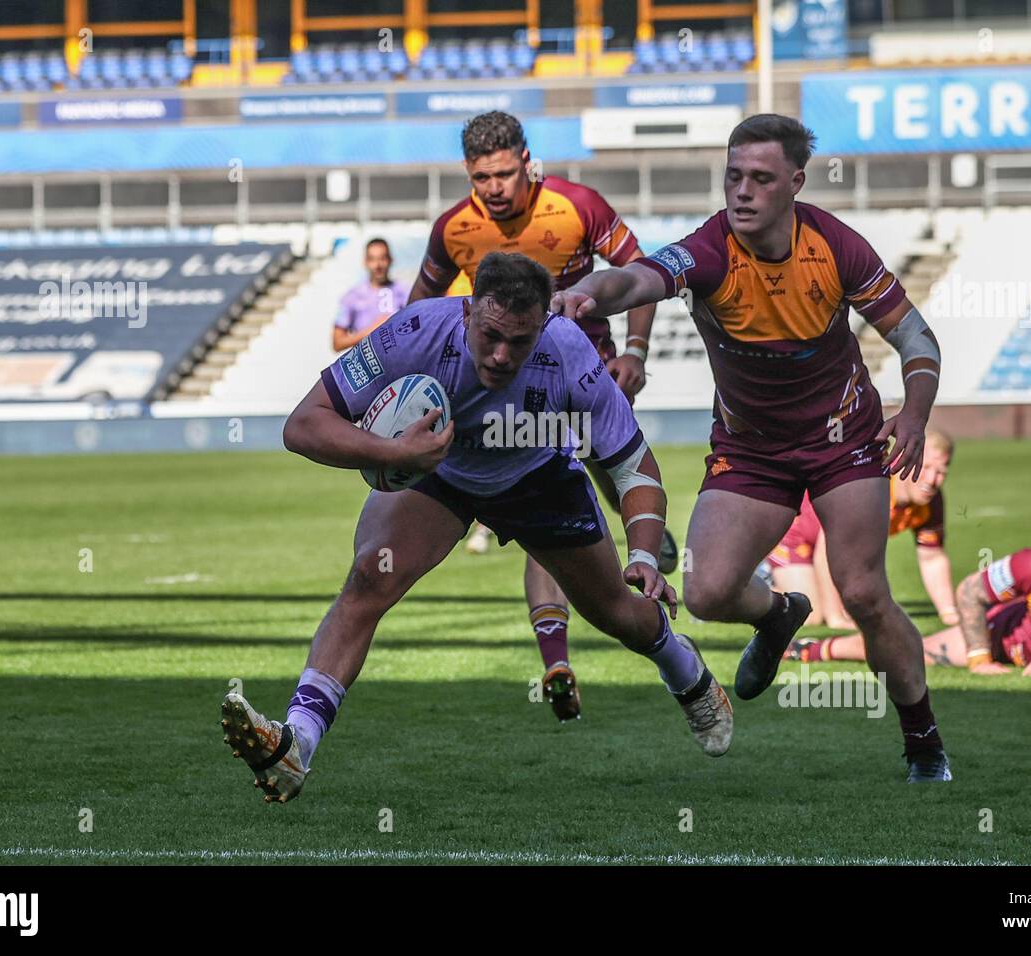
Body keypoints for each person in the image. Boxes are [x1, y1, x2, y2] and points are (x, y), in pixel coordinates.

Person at [221, 252, 733, 804]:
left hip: (536, 474)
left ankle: (686, 673)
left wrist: (644, 553)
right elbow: (303, 424)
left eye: (520, 341)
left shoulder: (568, 350)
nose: (501, 354)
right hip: (441, 471)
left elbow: (633, 465)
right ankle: (297, 743)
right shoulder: (414, 331)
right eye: (490, 334)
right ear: (468, 312)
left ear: (543, 325)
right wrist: (394, 451)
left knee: (616, 614)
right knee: (370, 576)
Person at [550, 113, 952, 782]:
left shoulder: (836, 246)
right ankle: (781, 613)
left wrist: (914, 412)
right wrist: (584, 295)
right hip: (751, 450)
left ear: (794, 183)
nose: (741, 192)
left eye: (760, 179)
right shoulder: (709, 250)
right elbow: (635, 279)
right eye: (733, 176)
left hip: (843, 441)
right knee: (705, 593)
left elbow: (918, 338)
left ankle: (923, 743)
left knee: (863, 593)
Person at [407, 110, 677, 722]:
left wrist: (634, 352)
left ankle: (643, 532)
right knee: (548, 495)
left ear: (526, 160)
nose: (494, 188)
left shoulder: (578, 205)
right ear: (468, 174)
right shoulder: (453, 228)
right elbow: (418, 308)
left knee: (595, 479)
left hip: (584, 380)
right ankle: (558, 654)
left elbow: (639, 276)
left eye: (504, 173)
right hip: (494, 393)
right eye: (482, 178)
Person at [820, 500, 1031, 675]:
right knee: (910, 654)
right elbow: (970, 590)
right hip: (1005, 634)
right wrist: (980, 659)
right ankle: (812, 650)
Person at [780, 430, 960, 638]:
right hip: (793, 534)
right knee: (810, 615)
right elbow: (826, 548)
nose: (932, 480)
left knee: (814, 607)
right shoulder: (872, 485)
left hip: (834, 545)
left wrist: (949, 612)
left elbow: (932, 557)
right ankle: (761, 571)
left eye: (941, 471)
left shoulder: (931, 499)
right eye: (925, 467)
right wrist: (835, 615)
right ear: (902, 459)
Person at [332, 238, 410, 352]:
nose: (377, 265)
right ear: (365, 262)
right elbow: (337, 343)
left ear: (390, 260)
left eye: (382, 259)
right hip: (370, 366)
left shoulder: (405, 291)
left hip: (402, 366)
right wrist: (371, 332)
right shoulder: (352, 296)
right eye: (372, 259)